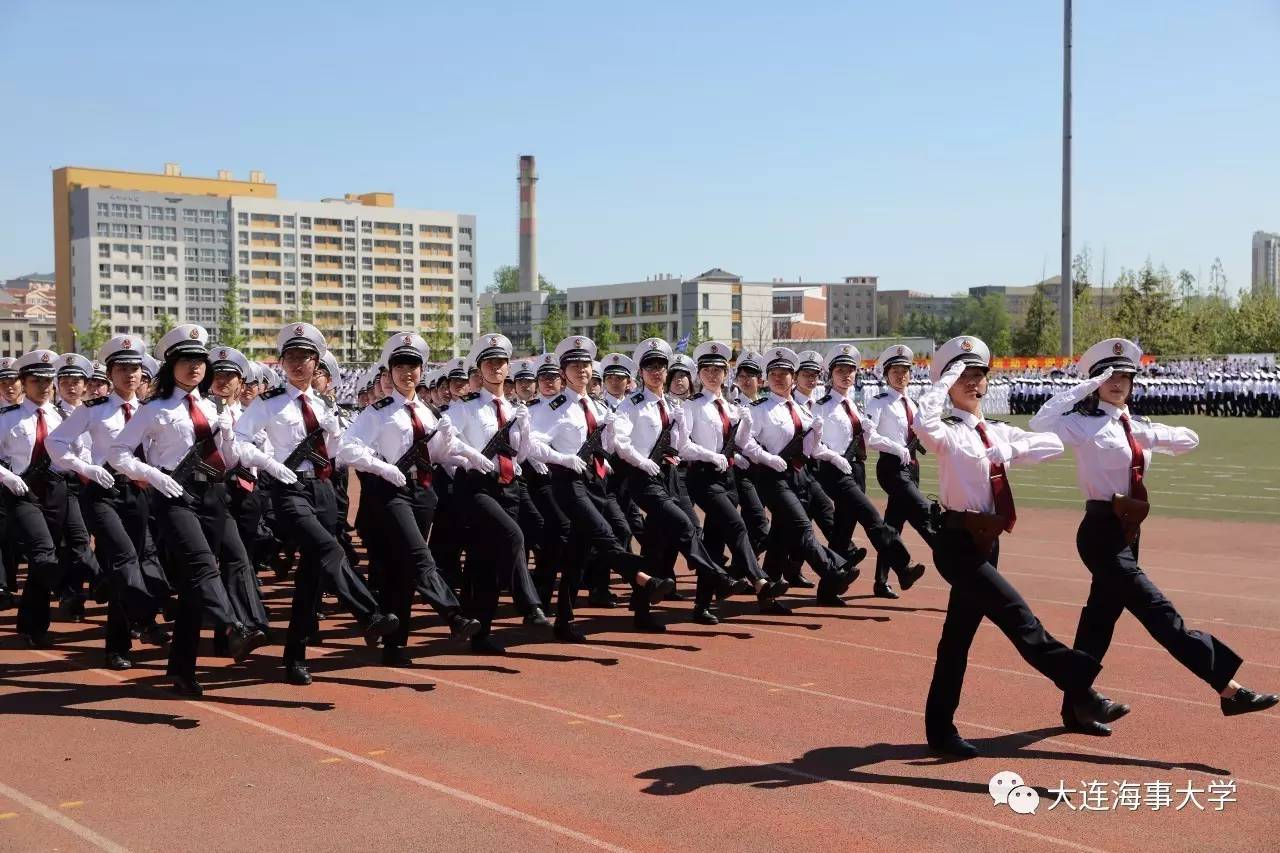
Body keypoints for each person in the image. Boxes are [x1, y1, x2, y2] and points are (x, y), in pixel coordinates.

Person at [1031, 338, 1278, 728]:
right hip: (1100, 532)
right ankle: (1229, 689)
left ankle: (1075, 707)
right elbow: (1040, 424)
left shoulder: (1137, 427)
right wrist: (1084, 387)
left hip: (1129, 532)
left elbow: (1189, 441)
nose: (1118, 383)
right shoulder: (1082, 425)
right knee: (1160, 613)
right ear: (1096, 382)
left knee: (1098, 621)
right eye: (1109, 376)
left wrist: (1147, 434)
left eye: (1125, 376)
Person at [913, 335, 1116, 758]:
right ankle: (1081, 687)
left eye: (978, 375)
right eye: (961, 376)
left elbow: (1051, 442)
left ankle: (939, 730)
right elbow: (922, 425)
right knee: (1018, 617)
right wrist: (941, 382)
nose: (972, 382)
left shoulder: (996, 433)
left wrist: (1011, 445)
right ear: (947, 383)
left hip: (988, 542)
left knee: (957, 640)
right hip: (957, 544)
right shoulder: (948, 433)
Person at [232, 322, 398, 686]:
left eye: (305, 357)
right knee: (328, 548)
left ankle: (294, 657)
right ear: (281, 362)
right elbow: (237, 442)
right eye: (290, 356)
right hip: (288, 489)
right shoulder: (269, 403)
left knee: (311, 577)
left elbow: (339, 454)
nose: (297, 363)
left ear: (316, 362)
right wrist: (267, 461)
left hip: (323, 491)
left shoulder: (325, 405)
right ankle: (369, 613)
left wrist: (343, 439)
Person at [108, 326, 269, 695]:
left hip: (212, 494)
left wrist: (228, 436)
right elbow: (118, 452)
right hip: (173, 495)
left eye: (199, 361)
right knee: (201, 566)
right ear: (172, 365)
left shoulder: (214, 407)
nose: (194, 367)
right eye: (186, 361)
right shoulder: (154, 408)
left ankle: (181, 668)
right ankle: (234, 627)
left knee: (215, 571)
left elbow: (229, 462)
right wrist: (151, 475)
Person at [338, 333, 482, 663]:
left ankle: (394, 643)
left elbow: (437, 453)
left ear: (421, 371)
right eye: (400, 366)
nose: (407, 373)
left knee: (400, 569)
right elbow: (347, 448)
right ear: (388, 373)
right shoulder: (377, 412)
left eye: (414, 366)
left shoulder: (428, 412)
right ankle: (454, 616)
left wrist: (457, 449)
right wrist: (381, 467)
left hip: (422, 492)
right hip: (391, 492)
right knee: (419, 555)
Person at [527, 336, 672, 638]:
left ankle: (564, 621)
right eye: (574, 365)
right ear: (563, 371)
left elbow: (607, 448)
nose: (581, 370)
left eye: (585, 365)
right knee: (604, 535)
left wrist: (611, 432)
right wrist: (563, 458)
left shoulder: (596, 405)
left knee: (580, 554)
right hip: (567, 484)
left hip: (596, 482)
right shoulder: (552, 408)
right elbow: (532, 446)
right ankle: (645, 579)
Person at [610, 338, 752, 629]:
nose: (656, 371)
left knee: (655, 545)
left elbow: (682, 446)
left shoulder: (673, 405)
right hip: (644, 478)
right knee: (686, 525)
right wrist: (641, 461)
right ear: (640, 371)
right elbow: (620, 442)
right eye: (650, 366)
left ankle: (641, 611)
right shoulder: (631, 405)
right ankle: (716, 575)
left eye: (661, 366)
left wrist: (681, 424)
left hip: (670, 476)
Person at [47, 335, 168, 669]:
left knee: (133, 563)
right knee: (124, 556)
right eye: (122, 368)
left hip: (139, 491)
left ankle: (118, 645)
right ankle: (145, 620)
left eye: (135, 369)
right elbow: (55, 441)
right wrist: (85, 468)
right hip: (103, 492)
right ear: (111, 373)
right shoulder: (94, 410)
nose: (129, 375)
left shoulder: (151, 410)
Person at [438, 333, 552, 653]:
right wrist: (471, 454)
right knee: (514, 536)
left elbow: (523, 453)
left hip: (509, 486)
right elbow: (443, 442)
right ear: (480, 369)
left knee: (483, 562)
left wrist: (526, 428)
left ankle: (480, 632)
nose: (496, 367)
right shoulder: (466, 408)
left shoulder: (515, 409)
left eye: (501, 362)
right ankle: (530, 607)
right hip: (475, 487)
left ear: (508, 367)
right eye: (489, 362)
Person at [680, 341, 790, 621]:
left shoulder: (730, 407)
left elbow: (741, 444)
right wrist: (709, 455)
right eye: (707, 369)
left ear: (725, 374)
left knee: (715, 541)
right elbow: (683, 446)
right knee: (737, 525)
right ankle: (760, 581)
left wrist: (747, 426)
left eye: (718, 369)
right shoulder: (690, 406)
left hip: (727, 477)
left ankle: (701, 605)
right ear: (699, 373)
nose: (713, 374)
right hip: (703, 477)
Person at [745, 347, 858, 606]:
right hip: (773, 478)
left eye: (784, 373)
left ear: (792, 378)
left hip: (800, 476)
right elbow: (746, 443)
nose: (778, 378)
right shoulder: (759, 409)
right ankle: (834, 568)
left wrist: (816, 434)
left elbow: (812, 450)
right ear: (766, 378)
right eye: (773, 373)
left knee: (780, 536)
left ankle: (768, 592)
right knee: (801, 526)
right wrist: (766, 457)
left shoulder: (802, 409)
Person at [812, 344, 926, 598]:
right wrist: (833, 457)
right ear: (830, 374)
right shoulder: (821, 405)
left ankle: (828, 589)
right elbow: (813, 444)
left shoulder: (853, 404)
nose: (847, 375)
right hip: (835, 469)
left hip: (856, 469)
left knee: (843, 530)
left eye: (851, 370)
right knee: (872, 518)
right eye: (840, 370)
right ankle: (902, 566)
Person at [0, 350, 70, 647]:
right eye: (36, 381)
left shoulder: (62, 417)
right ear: (24, 383)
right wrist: (7, 477)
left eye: (48, 381)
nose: (43, 387)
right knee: (43, 555)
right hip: (22, 492)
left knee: (48, 556)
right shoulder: (7, 418)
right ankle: (58, 602)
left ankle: (32, 624)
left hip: (56, 491)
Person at [865, 344, 934, 598]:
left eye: (905, 370)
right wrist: (895, 447)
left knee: (893, 525)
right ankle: (960, 569)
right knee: (925, 515)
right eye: (895, 371)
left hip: (913, 466)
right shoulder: (879, 402)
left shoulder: (914, 404)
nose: (901, 375)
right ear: (886, 375)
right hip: (892, 467)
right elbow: (869, 436)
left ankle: (881, 582)